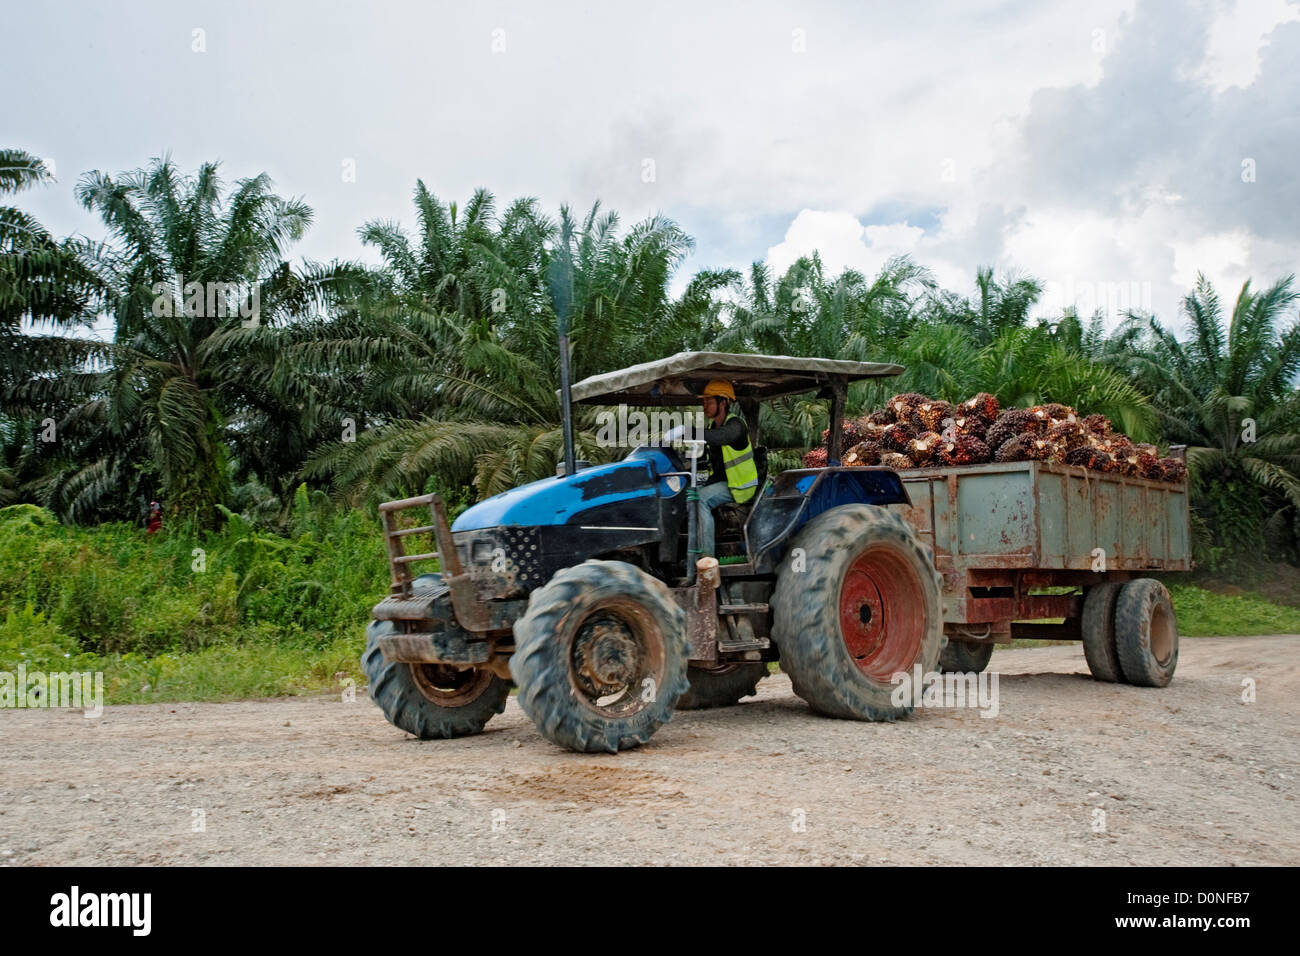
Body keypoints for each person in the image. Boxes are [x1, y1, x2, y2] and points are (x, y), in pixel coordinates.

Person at [693, 379, 759, 559]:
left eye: (708, 401)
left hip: (741, 486)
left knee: (700, 500)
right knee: (689, 493)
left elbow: (720, 437)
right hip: (724, 482)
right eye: (703, 401)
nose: (704, 405)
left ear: (723, 403)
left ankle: (706, 560)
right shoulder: (712, 426)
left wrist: (689, 432)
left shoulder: (735, 426)